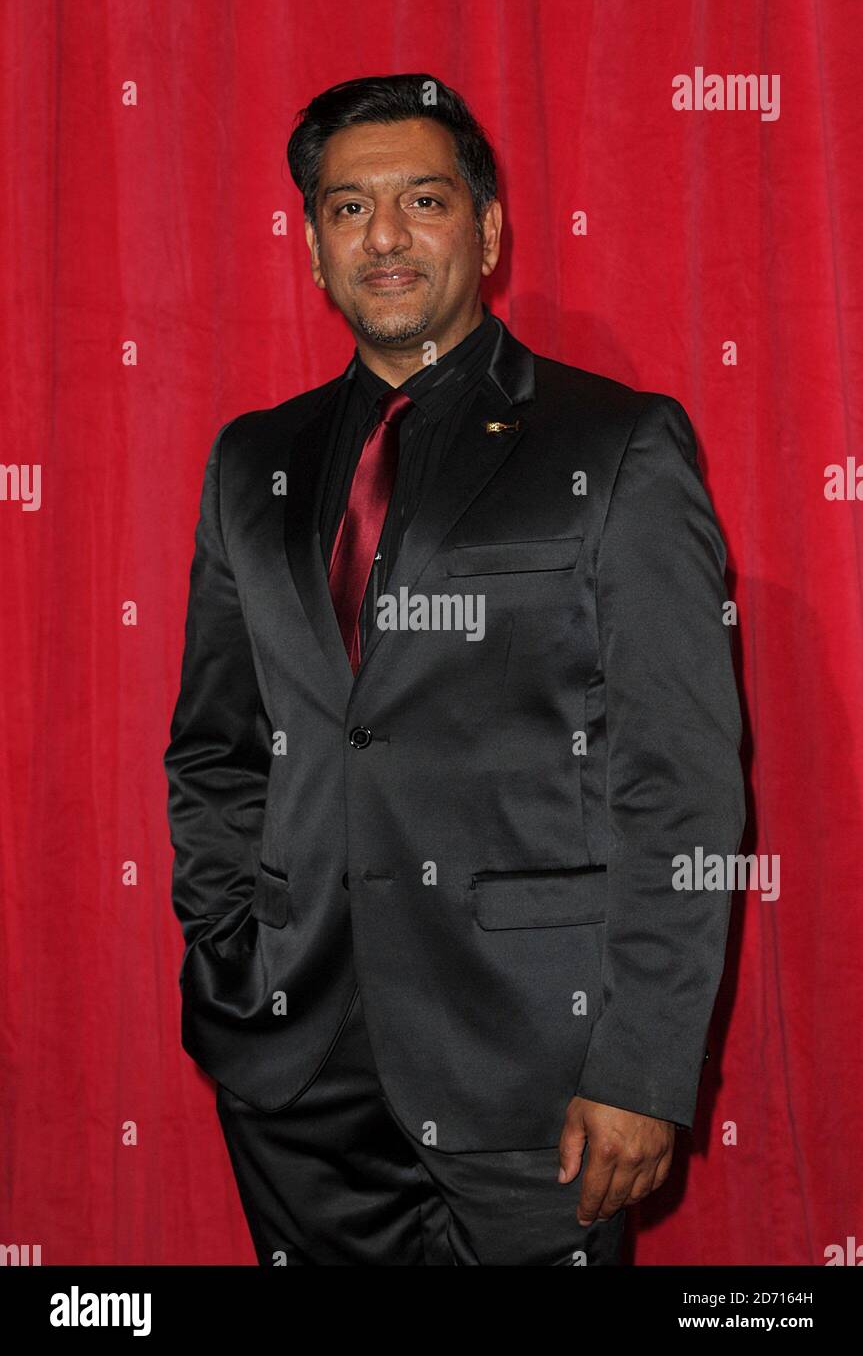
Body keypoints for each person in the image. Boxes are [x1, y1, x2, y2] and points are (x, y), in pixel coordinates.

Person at [164, 73, 746, 1266]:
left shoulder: (616, 443)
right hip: (295, 1069)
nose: (382, 236)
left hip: (536, 1079)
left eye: (422, 199)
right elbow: (217, 747)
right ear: (314, 248)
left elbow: (679, 779)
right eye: (345, 208)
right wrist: (227, 945)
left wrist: (640, 1062)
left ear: (485, 230)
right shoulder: (247, 463)